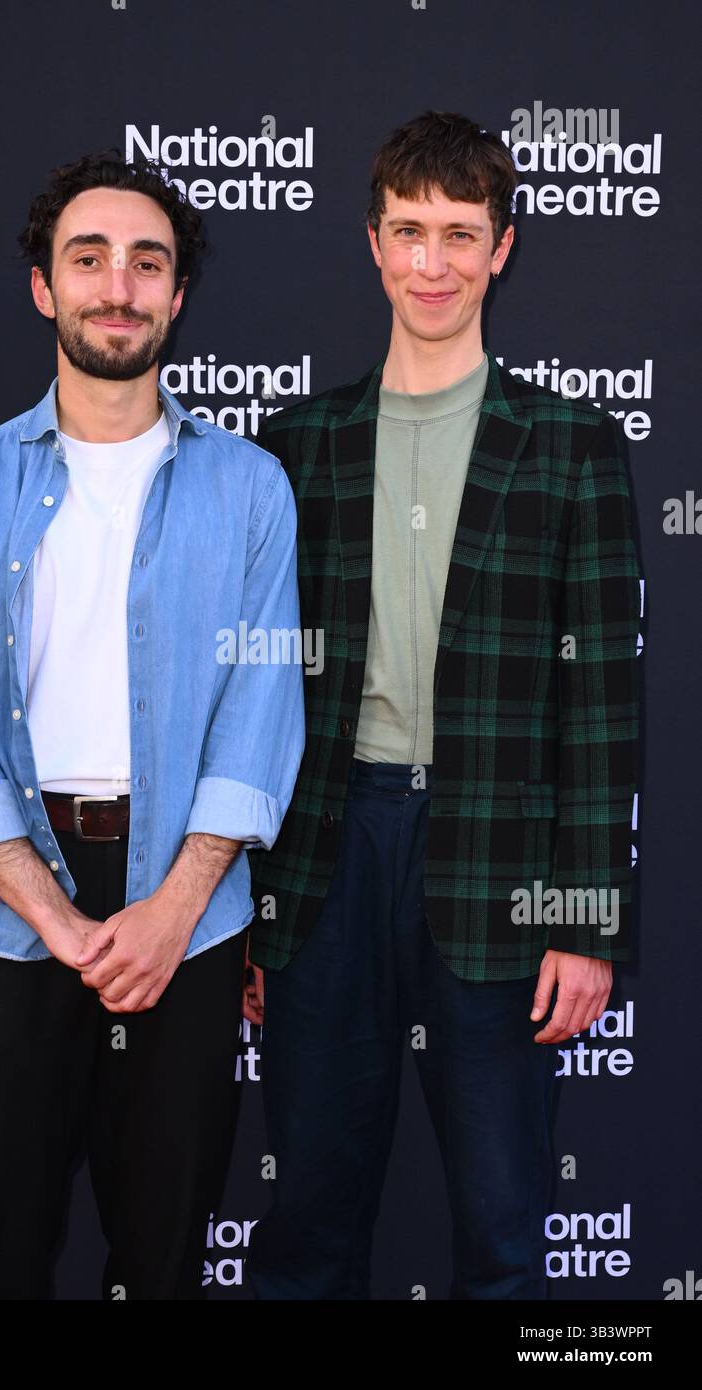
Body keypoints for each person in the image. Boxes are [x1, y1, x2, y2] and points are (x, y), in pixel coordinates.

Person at [0, 149, 304, 1300]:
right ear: (44, 286)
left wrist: (173, 908)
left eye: (146, 262)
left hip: (188, 907)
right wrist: (64, 926)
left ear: (177, 295)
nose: (116, 286)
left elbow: (263, 708)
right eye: (88, 259)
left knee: (166, 1258)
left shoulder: (250, 487)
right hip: (5, 908)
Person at [244, 110, 641, 1300]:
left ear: (501, 248)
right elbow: (254, 695)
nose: (433, 263)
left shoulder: (571, 443)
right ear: (372, 243)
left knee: (503, 1232)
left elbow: (604, 703)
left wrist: (586, 918)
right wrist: (254, 907)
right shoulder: (297, 445)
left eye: (459, 235)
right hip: (326, 860)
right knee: (307, 1220)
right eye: (409, 232)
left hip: (500, 870)